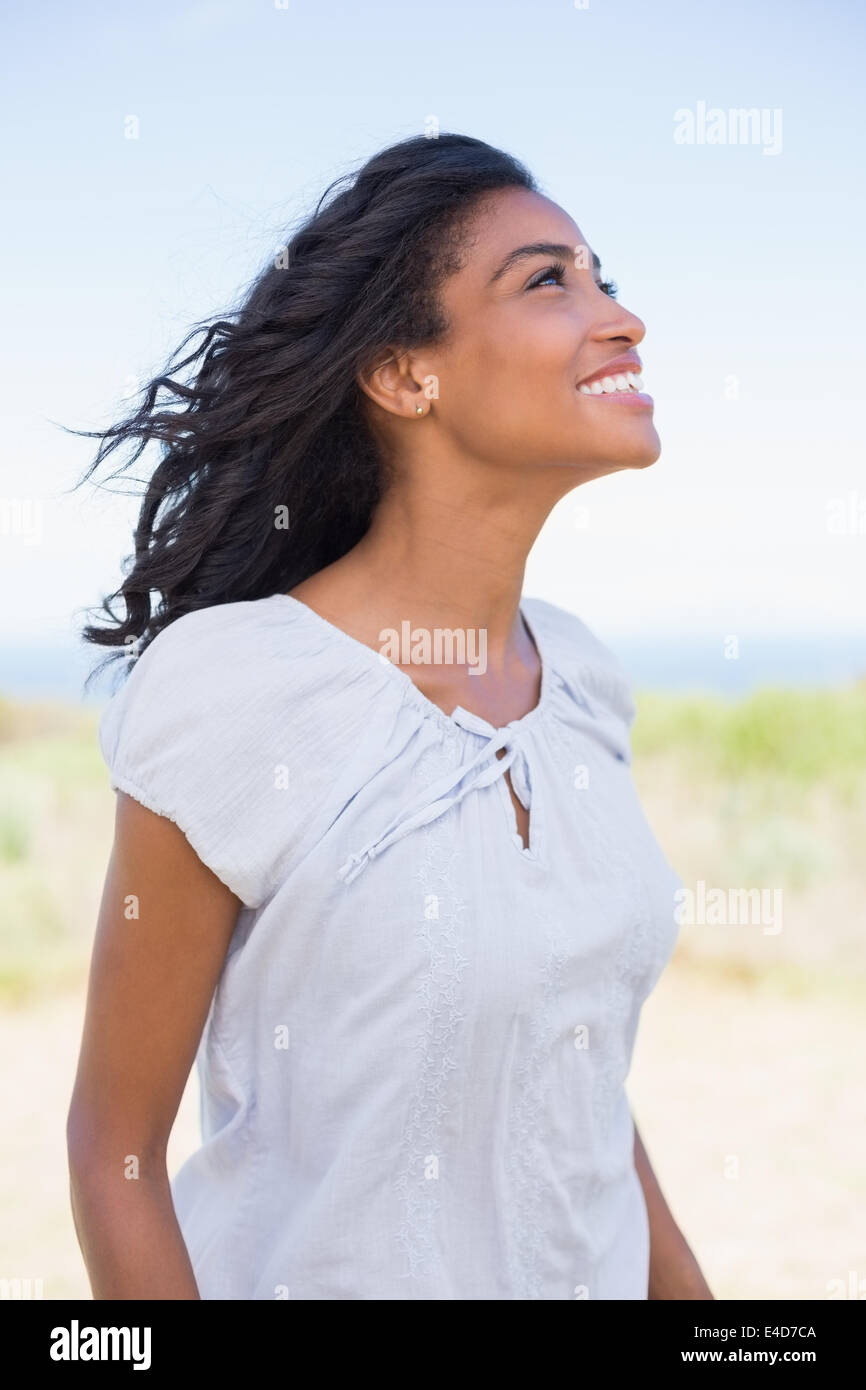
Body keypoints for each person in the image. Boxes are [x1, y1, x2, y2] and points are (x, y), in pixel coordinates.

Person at [66, 132, 713, 1300]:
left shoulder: (581, 681)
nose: (621, 318)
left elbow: (574, 1089)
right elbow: (115, 1152)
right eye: (547, 280)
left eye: (599, 274)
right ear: (404, 374)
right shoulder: (239, 691)